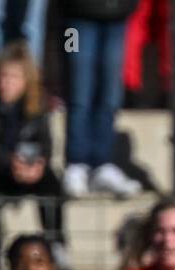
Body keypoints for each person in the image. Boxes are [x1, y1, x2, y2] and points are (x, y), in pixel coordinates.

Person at [0, 41, 66, 270]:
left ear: (26, 80)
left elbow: (46, 144)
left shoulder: (37, 105)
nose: (4, 83)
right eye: (1, 76)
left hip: (27, 169)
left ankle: (56, 244)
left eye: (12, 77)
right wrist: (9, 161)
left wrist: (38, 164)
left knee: (51, 180)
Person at [62, 0, 143, 198]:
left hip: (117, 14)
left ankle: (103, 162)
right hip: (77, 16)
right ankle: (76, 162)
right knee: (78, 89)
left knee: (111, 96)